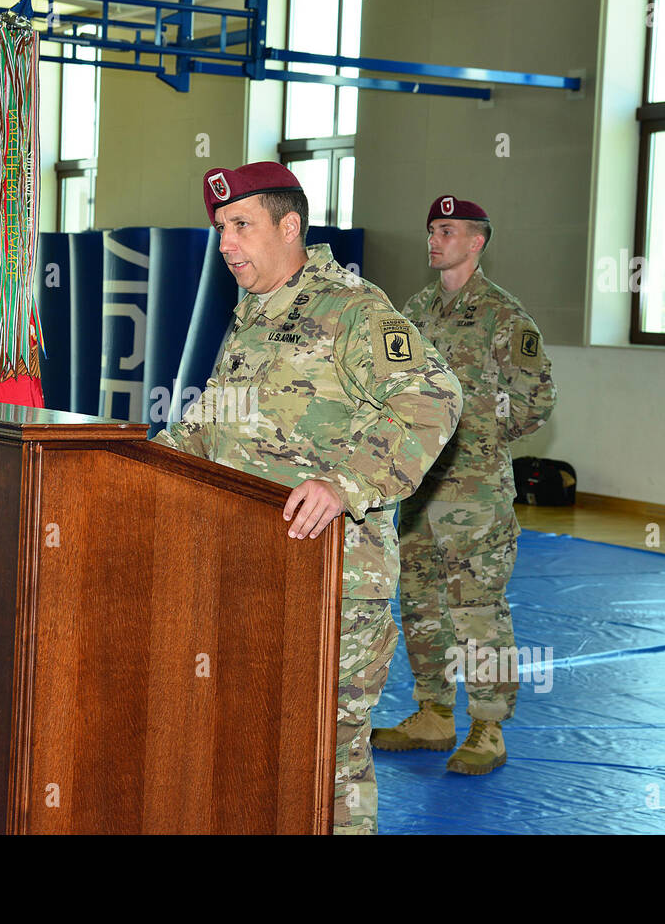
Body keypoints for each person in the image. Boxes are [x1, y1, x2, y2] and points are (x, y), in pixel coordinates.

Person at [151, 162, 462, 834]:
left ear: (290, 226)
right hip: (252, 571)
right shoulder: (252, 314)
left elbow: (435, 398)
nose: (226, 243)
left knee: (327, 756)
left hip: (337, 581)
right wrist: (140, 464)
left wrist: (343, 483)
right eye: (220, 229)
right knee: (255, 744)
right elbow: (210, 425)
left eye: (241, 226)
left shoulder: (351, 307)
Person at [371, 194, 556, 775]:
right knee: (421, 603)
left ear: (477, 241)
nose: (435, 239)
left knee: (476, 607)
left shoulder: (505, 316)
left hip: (474, 494)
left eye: (447, 230)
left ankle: (488, 726)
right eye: (431, 229)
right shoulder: (416, 310)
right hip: (419, 488)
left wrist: (476, 436)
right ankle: (433, 713)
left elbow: (536, 400)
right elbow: (395, 383)